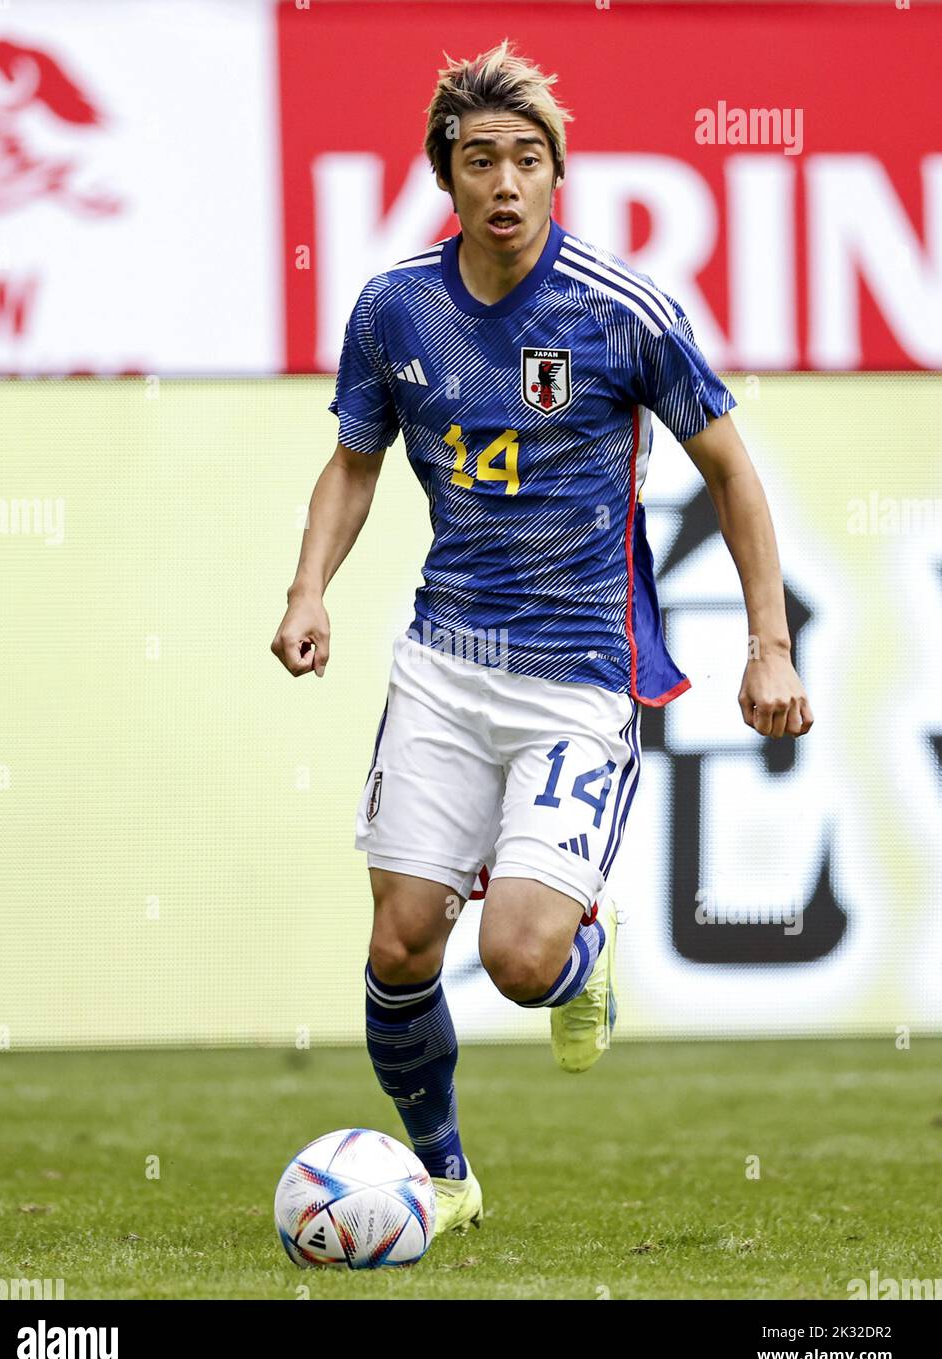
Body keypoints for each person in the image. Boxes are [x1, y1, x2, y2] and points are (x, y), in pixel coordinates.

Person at [271, 39, 813, 1241]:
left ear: (557, 173)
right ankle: (445, 1177)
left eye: (526, 158)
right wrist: (309, 590)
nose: (504, 182)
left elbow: (729, 466)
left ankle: (579, 953)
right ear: (446, 178)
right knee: (402, 941)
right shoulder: (394, 307)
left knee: (517, 957)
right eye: (479, 161)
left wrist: (767, 644)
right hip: (444, 663)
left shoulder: (620, 313)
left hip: (579, 677)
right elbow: (354, 464)